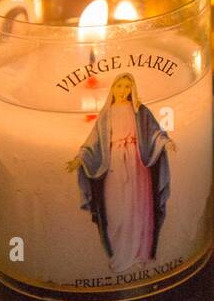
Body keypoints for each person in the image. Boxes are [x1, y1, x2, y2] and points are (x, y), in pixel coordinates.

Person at [66, 73, 175, 271]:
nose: (123, 91)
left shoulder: (140, 111)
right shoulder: (106, 115)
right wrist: (80, 158)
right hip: (115, 164)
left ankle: (141, 253)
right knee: (118, 209)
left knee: (139, 207)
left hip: (137, 165)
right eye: (119, 86)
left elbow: (155, 132)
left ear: (132, 89)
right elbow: (93, 141)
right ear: (113, 89)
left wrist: (164, 142)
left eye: (127, 87)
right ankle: (121, 253)